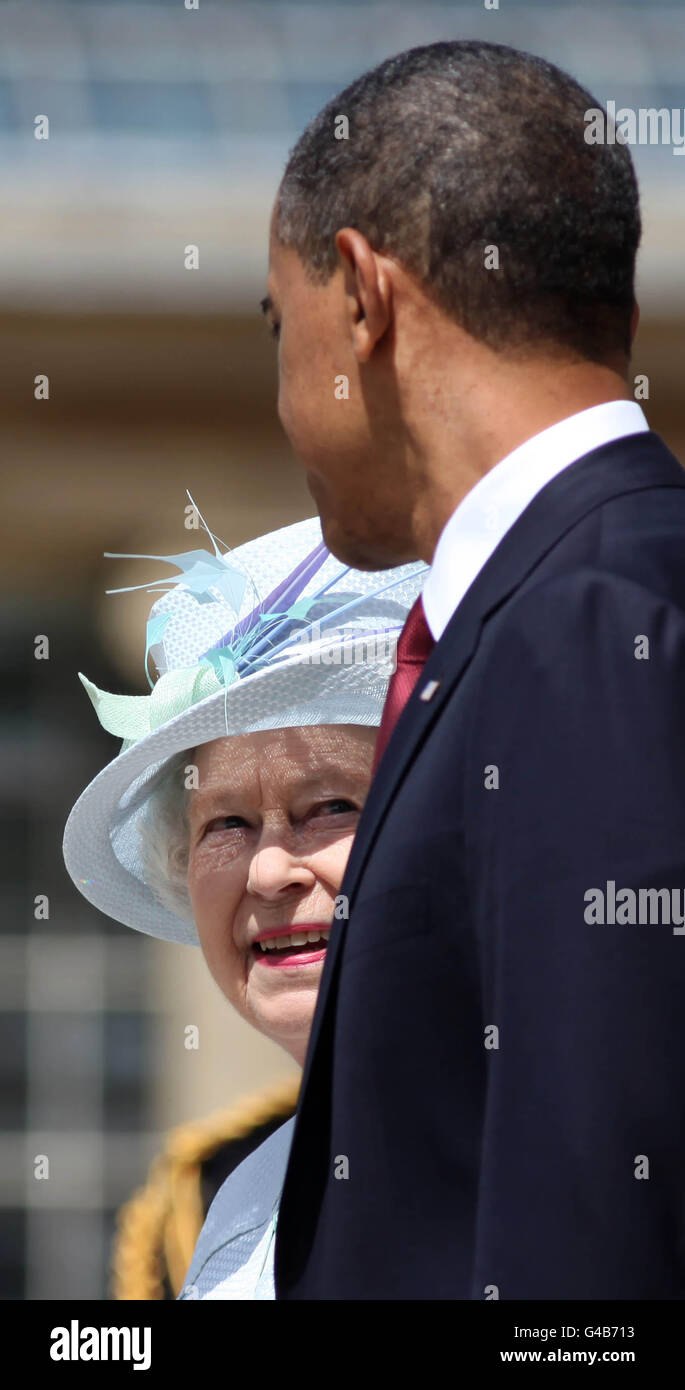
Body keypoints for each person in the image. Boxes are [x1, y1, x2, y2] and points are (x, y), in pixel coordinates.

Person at [265, 40, 685, 1299]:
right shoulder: (577, 594)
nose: (278, 398)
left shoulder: (585, 624)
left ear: (360, 295)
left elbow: (596, 1235)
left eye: (276, 329)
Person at [63, 511, 425, 1299]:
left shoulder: (567, 1147)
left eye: (329, 806)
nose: (267, 871)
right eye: (224, 823)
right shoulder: (238, 1208)